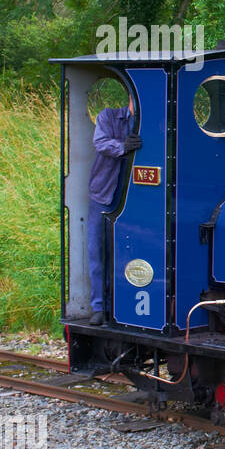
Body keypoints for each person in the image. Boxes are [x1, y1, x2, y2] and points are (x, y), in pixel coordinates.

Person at [88, 98, 141, 325]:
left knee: (126, 252)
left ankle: (121, 305)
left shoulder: (154, 123)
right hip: (104, 192)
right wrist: (123, 147)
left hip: (134, 195)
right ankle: (99, 306)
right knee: (98, 250)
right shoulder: (108, 116)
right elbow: (100, 142)